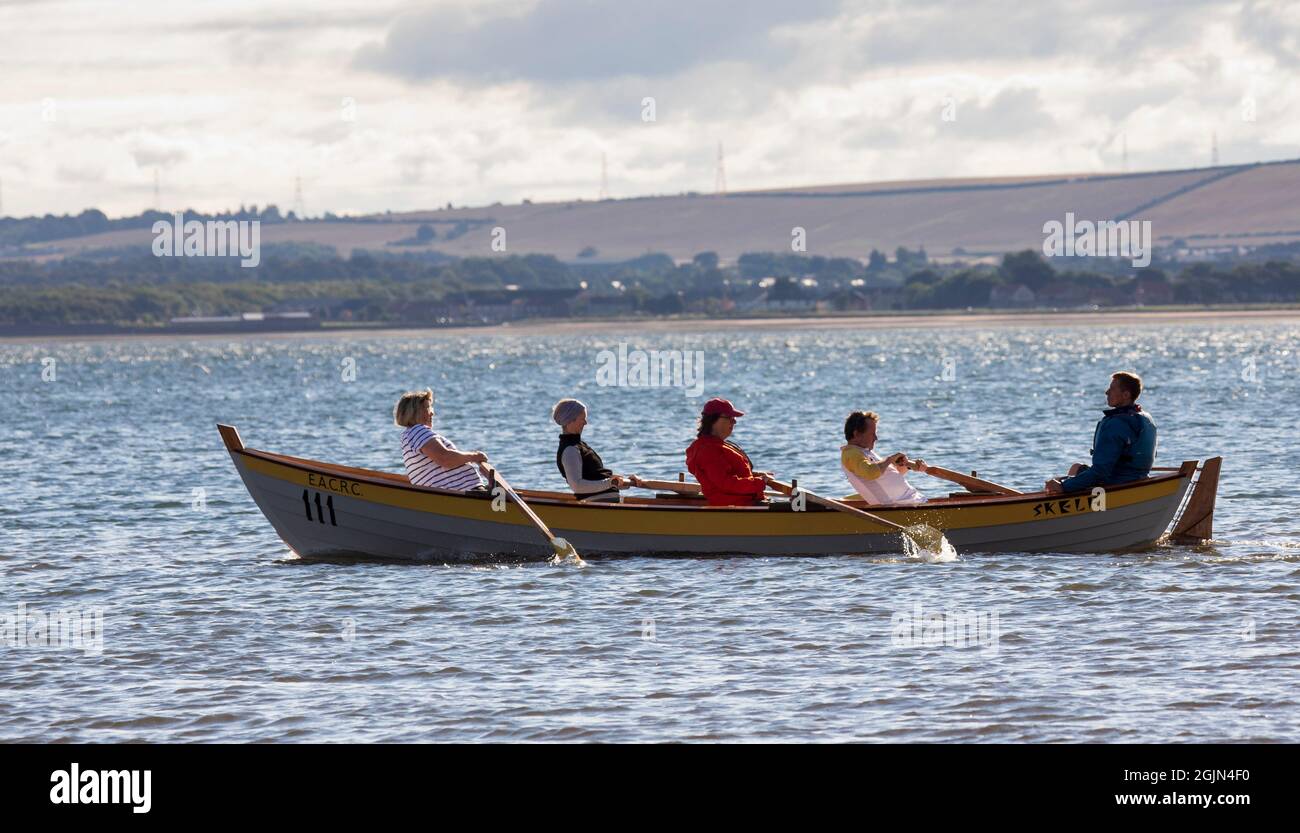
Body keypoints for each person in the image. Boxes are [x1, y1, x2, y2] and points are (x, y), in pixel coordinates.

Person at [1046, 371, 1157, 494]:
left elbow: (1100, 472)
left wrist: (1063, 486)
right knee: (1076, 467)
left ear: (1126, 395)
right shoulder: (1145, 418)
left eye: (1112, 389)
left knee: (1054, 484)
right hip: (1137, 477)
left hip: (1116, 484)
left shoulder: (1116, 424)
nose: (1107, 392)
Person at [685, 398, 777, 506]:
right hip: (737, 506)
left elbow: (730, 474)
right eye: (730, 418)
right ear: (713, 420)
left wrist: (756, 476)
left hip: (746, 503)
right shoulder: (708, 450)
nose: (734, 422)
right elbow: (725, 483)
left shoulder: (715, 445)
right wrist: (759, 482)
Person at [393, 389, 488, 491]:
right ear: (415, 412)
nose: (432, 412)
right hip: (465, 493)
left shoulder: (409, 435)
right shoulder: (418, 431)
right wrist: (474, 456)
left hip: (458, 492)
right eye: (428, 407)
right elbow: (445, 458)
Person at [551, 398, 638, 502]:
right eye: (582, 418)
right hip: (597, 505)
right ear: (571, 420)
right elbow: (577, 486)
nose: (585, 423)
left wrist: (627, 481)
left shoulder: (580, 446)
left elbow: (599, 479)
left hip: (608, 504)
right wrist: (610, 482)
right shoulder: (570, 450)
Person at [840, 410, 927, 505]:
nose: (876, 438)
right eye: (872, 434)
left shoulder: (864, 452)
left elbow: (886, 477)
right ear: (856, 434)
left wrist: (907, 465)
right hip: (899, 508)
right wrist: (889, 460)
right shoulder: (851, 454)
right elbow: (870, 472)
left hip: (913, 502)